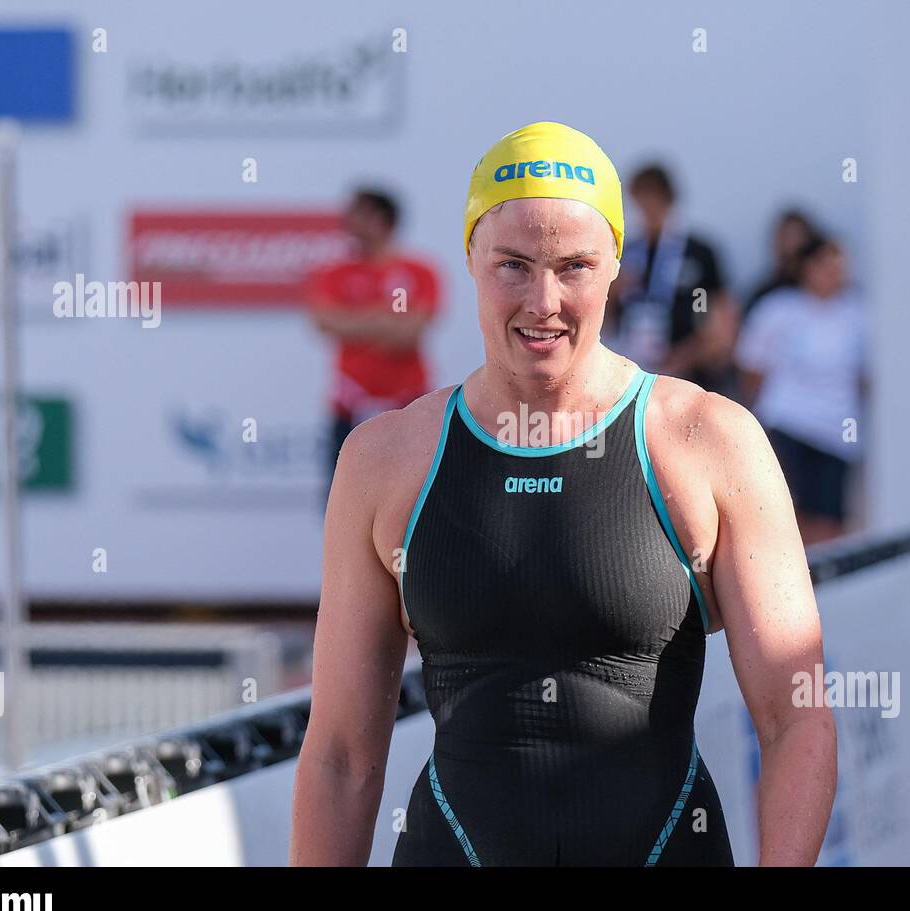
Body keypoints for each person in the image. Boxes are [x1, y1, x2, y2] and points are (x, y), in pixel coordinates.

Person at [290, 121, 835, 867]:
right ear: (471, 262)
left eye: (573, 266)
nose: (543, 301)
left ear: (616, 265)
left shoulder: (705, 440)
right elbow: (342, 756)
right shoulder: (387, 460)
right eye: (513, 264)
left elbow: (796, 719)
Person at [735, 235, 867, 545]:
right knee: (789, 515)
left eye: (839, 265)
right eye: (826, 264)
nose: (834, 273)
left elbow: (867, 375)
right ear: (807, 268)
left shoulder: (859, 314)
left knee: (831, 520)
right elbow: (752, 367)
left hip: (837, 433)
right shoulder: (778, 309)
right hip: (789, 425)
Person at [305, 189, 441, 488]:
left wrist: (354, 322)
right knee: (343, 503)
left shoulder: (419, 272)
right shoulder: (334, 273)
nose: (348, 221)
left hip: (409, 406)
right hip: (349, 408)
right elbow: (323, 322)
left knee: (411, 497)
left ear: (381, 219)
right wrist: (383, 318)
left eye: (358, 213)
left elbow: (409, 333)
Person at [603, 164, 739, 396]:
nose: (648, 208)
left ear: (669, 198)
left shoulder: (697, 252)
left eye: (654, 199)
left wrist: (691, 352)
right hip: (633, 370)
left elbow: (707, 307)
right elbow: (607, 316)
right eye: (641, 200)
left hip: (688, 370)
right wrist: (614, 292)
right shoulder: (628, 251)